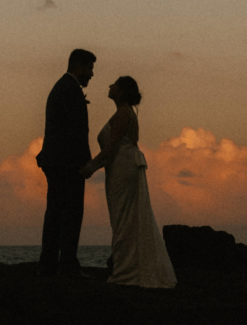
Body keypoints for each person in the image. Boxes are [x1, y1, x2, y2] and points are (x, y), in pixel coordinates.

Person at [81, 76, 177, 289]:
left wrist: (90, 167)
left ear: (122, 91)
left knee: (124, 218)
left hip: (123, 167)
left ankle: (126, 271)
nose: (109, 85)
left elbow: (111, 148)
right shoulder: (123, 113)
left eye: (114, 84)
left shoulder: (123, 114)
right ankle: (128, 266)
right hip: (120, 167)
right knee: (124, 217)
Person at [36, 48, 94, 276]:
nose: (91, 74)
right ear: (78, 66)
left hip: (57, 160)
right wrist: (84, 163)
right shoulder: (69, 90)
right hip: (67, 163)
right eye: (89, 68)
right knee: (70, 212)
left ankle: (49, 261)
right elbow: (75, 132)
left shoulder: (63, 88)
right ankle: (67, 263)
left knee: (55, 211)